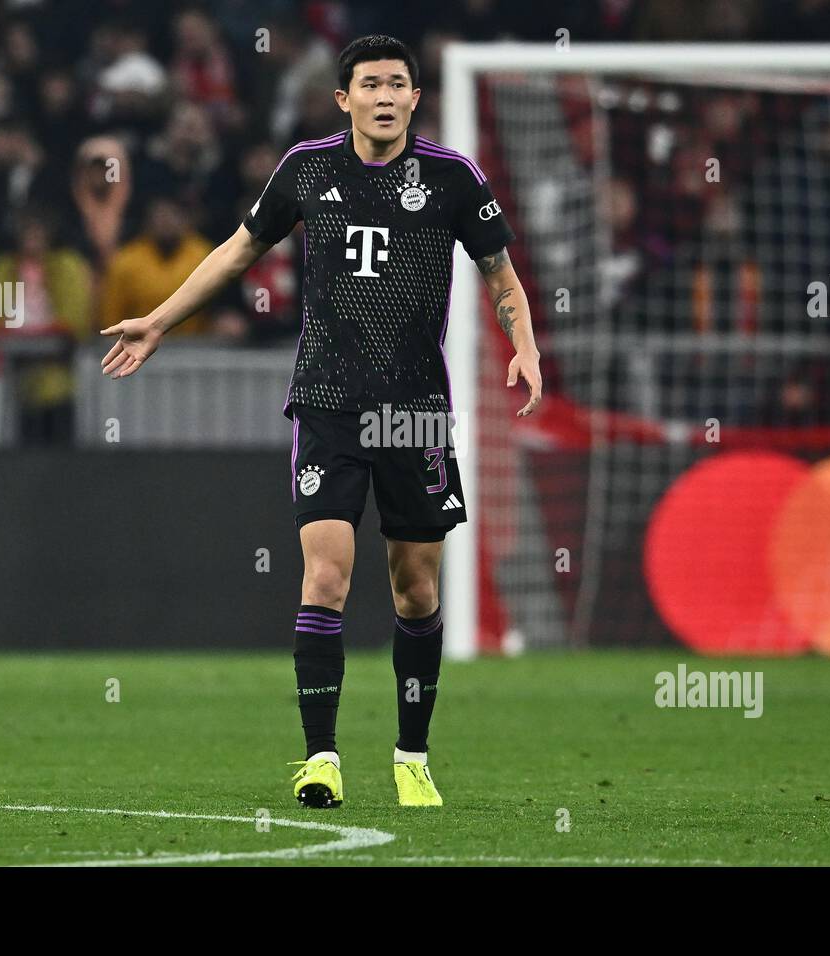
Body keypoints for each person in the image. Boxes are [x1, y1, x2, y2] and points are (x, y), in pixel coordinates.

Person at [99, 35, 542, 809]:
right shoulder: (308, 168)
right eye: (368, 83)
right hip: (329, 402)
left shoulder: (451, 178)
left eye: (396, 83)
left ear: (413, 98)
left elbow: (501, 273)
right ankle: (322, 760)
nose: (382, 94)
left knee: (414, 590)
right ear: (344, 99)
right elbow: (239, 252)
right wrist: (161, 321)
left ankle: (411, 756)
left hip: (415, 413)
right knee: (326, 575)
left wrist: (527, 348)